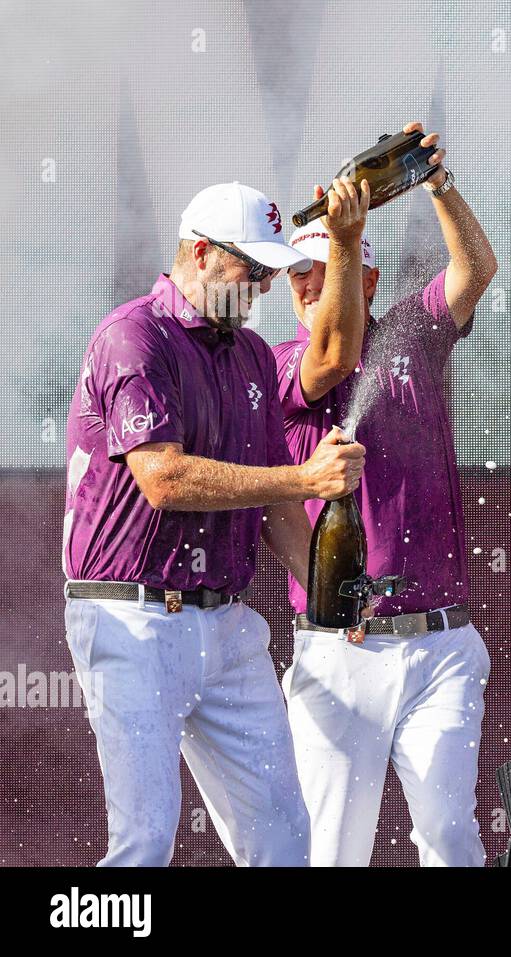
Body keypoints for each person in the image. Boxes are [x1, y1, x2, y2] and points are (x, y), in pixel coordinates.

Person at [63, 181, 365, 866]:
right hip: (131, 618)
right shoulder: (132, 336)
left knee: (285, 836)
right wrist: (304, 476)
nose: (261, 284)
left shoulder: (255, 355)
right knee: (144, 841)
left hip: (227, 628)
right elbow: (165, 478)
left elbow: (279, 509)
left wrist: (331, 594)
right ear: (200, 252)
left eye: (268, 270)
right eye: (249, 268)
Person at [273, 123, 499, 867]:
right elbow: (330, 356)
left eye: (324, 273)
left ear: (366, 279)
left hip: (439, 642)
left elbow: (477, 267)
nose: (308, 289)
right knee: (331, 852)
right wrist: (341, 236)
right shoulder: (280, 365)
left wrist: (437, 183)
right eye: (299, 278)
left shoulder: (413, 331)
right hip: (340, 650)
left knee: (451, 840)